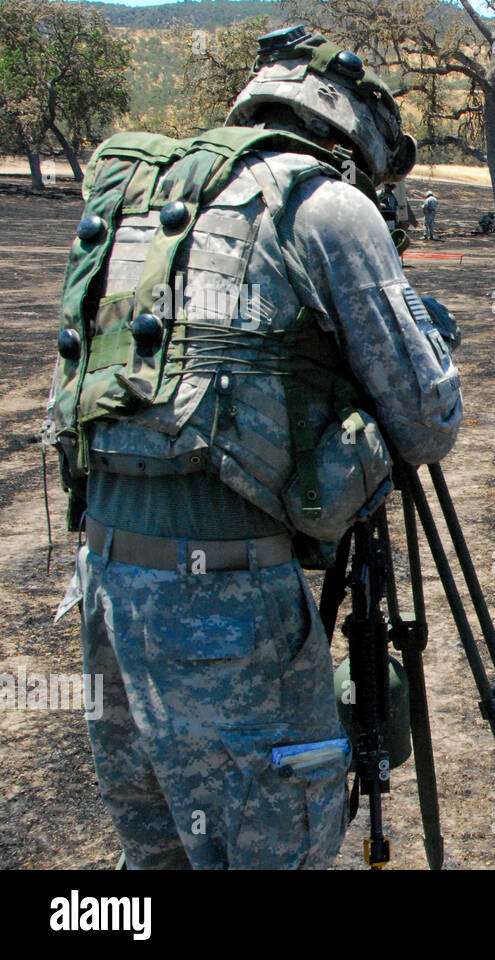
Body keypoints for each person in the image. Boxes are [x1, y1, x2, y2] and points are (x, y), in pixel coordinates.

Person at [43, 24, 463, 869]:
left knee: (157, 857)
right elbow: (427, 420)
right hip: (223, 606)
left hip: (107, 583)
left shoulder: (143, 198)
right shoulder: (323, 204)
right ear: (354, 141)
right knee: (277, 851)